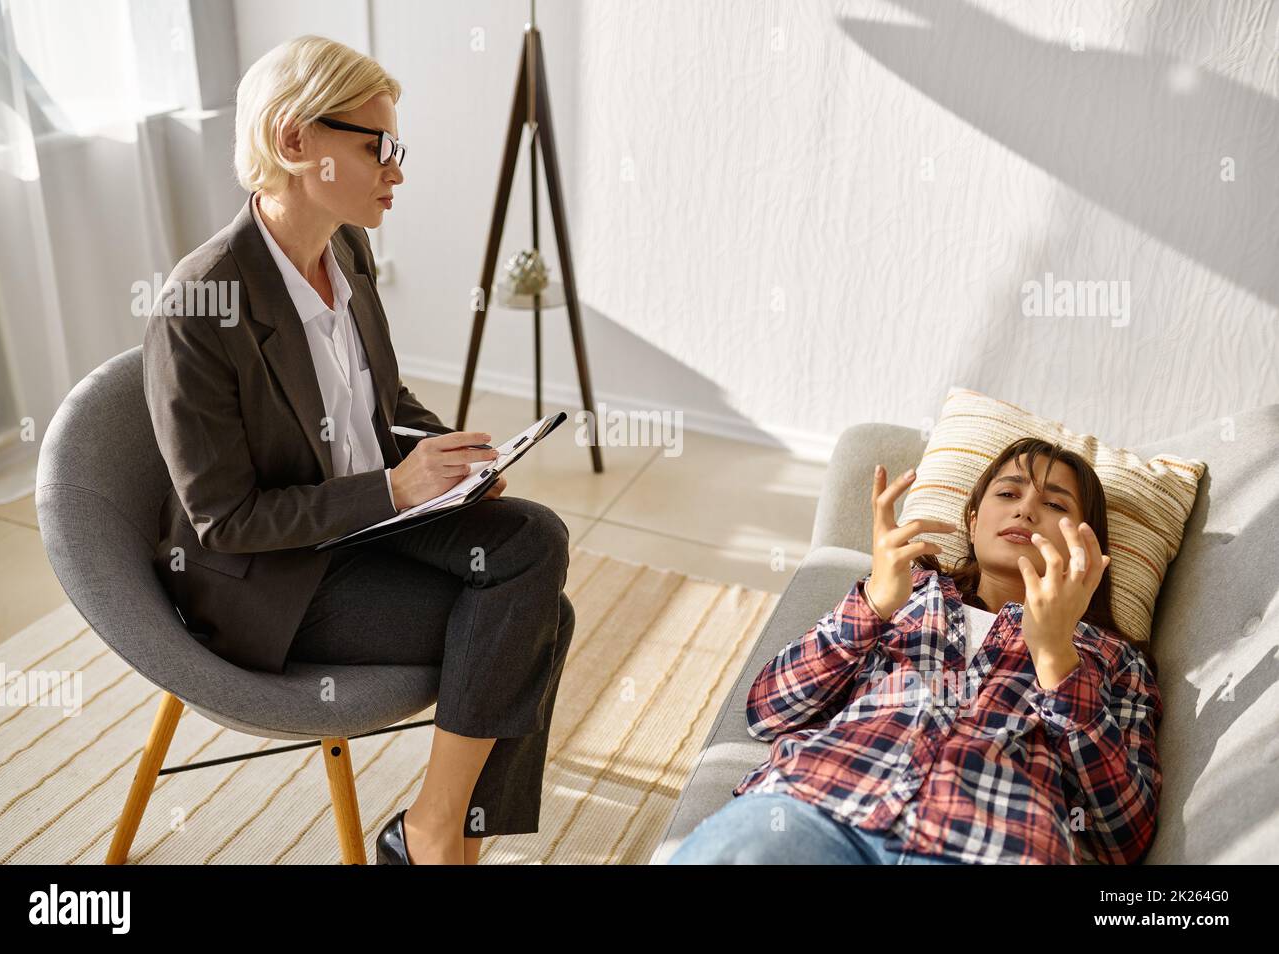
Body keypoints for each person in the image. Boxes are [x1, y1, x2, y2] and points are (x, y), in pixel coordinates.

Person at [142, 35, 575, 865]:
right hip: (276, 578)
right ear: (295, 141)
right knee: (539, 615)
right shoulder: (199, 306)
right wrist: (396, 490)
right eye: (377, 147)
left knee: (532, 541)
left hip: (363, 524)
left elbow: (381, 403)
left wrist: (447, 457)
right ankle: (443, 838)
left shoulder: (346, 248)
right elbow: (225, 522)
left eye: (394, 148)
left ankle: (431, 831)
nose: (396, 170)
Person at [670, 437, 1162, 864]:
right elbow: (767, 711)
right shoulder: (906, 591)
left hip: (995, 847)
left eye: (1055, 505)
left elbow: (1125, 837)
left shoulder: (1112, 658)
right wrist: (874, 605)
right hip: (816, 806)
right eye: (1008, 493)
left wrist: (1056, 659)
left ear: (1085, 544)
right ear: (972, 521)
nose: (1026, 509)